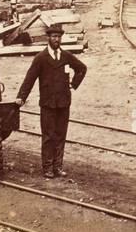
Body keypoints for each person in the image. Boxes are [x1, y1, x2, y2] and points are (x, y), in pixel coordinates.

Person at [15, 27, 88, 178]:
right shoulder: (41, 58)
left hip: (63, 103)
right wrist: (21, 96)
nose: (56, 39)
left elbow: (82, 68)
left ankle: (58, 167)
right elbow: (30, 78)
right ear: (48, 38)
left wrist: (73, 84)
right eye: (54, 36)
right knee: (48, 136)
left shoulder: (66, 56)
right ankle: (47, 168)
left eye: (59, 37)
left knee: (61, 135)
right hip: (48, 104)